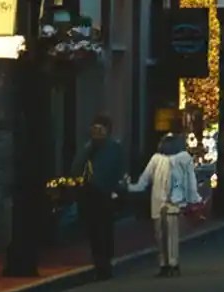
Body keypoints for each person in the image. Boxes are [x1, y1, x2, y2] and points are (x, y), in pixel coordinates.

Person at [127, 134, 201, 277]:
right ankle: (165, 263)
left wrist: (192, 199)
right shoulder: (157, 159)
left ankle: (172, 263)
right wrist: (130, 187)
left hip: (172, 201)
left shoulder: (182, 159)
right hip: (160, 201)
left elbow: (190, 180)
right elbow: (145, 180)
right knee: (161, 235)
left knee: (170, 234)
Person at [70, 114, 126, 280]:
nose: (97, 133)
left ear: (107, 131)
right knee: (94, 230)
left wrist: (117, 188)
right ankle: (99, 263)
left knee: (105, 229)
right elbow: (76, 167)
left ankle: (105, 263)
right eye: (94, 129)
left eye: (100, 129)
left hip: (106, 193)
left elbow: (119, 170)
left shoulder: (114, 148)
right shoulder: (88, 148)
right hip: (89, 193)